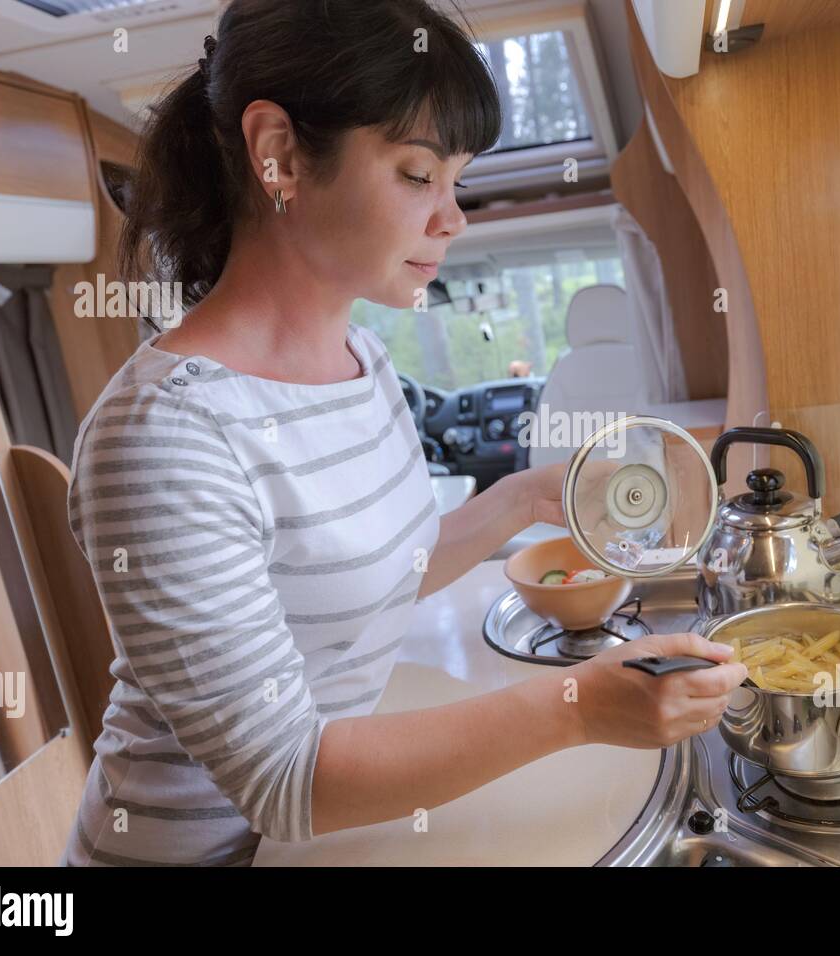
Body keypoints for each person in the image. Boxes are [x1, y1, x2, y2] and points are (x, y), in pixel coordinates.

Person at [59, 0, 745, 866]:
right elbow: (287, 777)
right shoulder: (165, 439)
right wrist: (581, 707)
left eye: (456, 182)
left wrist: (529, 497)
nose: (452, 217)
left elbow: (387, 572)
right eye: (419, 174)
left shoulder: (362, 359)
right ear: (278, 156)